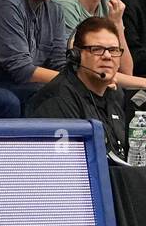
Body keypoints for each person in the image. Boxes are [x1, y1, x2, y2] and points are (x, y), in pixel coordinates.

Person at [27, 16, 128, 162]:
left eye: (113, 50)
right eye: (97, 49)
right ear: (76, 55)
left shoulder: (115, 94)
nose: (107, 56)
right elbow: (65, 165)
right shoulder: (57, 99)